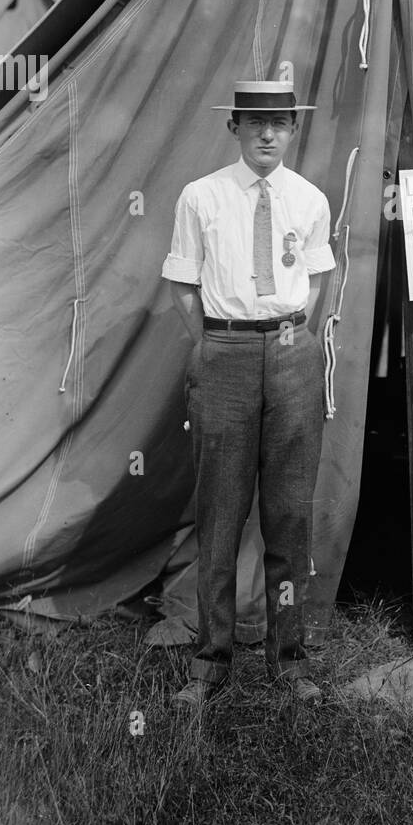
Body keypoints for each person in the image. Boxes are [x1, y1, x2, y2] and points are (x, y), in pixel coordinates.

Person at [161, 77, 335, 710]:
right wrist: (217, 344)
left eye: (281, 123)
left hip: (290, 354)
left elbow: (316, 281)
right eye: (255, 122)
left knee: (288, 514)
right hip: (225, 352)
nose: (268, 134)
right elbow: (183, 284)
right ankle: (211, 662)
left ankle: (288, 661)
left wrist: (287, 337)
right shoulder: (201, 197)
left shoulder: (309, 199)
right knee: (221, 512)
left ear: (293, 129)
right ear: (233, 126)